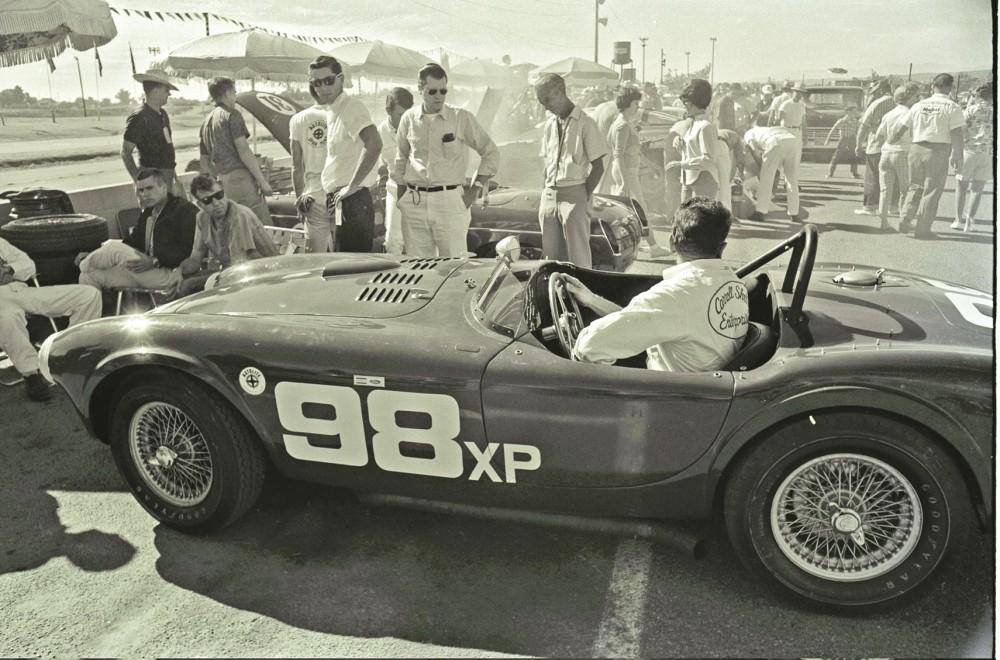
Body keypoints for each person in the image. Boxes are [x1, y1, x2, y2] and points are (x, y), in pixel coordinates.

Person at [564, 197, 748, 372]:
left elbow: (589, 347)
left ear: (671, 243)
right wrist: (592, 300)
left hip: (670, 395)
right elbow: (650, 320)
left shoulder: (674, 296)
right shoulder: (734, 284)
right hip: (703, 388)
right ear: (722, 247)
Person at [393, 63, 499, 257]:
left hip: (449, 201)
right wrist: (402, 196)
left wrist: (474, 190)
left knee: (454, 266)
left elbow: (490, 152)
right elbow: (400, 158)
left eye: (443, 91)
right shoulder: (408, 119)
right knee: (418, 267)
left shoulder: (460, 117)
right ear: (420, 89)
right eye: (432, 91)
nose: (438, 96)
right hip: (415, 202)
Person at [0, 237, 101, 401]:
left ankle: (73, 355)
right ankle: (31, 373)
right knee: (8, 317)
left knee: (89, 295)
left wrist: (10, 269)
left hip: (19, 291)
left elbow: (29, 265)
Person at [78, 168, 197, 295]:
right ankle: (98, 313)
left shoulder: (184, 210)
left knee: (114, 248)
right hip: (143, 272)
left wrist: (156, 261)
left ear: (164, 187)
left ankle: (83, 263)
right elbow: (131, 243)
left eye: (149, 188)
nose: (145, 194)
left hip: (172, 273)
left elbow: (188, 250)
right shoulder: (149, 212)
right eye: (141, 190)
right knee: (88, 276)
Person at [534, 73, 608, 269]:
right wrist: (545, 192)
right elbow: (547, 161)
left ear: (560, 92)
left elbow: (599, 166)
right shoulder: (549, 124)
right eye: (541, 101)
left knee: (578, 259)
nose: (545, 106)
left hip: (575, 194)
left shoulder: (585, 123)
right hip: (549, 196)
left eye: (547, 99)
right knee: (551, 260)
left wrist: (583, 195)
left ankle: (580, 297)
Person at [317, 56, 383, 253]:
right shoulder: (332, 111)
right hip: (340, 200)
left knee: (350, 267)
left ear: (341, 79)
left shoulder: (350, 107)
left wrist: (352, 186)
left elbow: (374, 143)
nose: (322, 87)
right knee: (341, 261)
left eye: (328, 80)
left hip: (353, 201)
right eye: (317, 82)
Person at [892, 73, 965, 238]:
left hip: (916, 148)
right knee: (932, 190)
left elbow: (902, 127)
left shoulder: (918, 105)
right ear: (949, 87)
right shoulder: (952, 106)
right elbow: (956, 133)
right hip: (938, 151)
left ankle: (905, 217)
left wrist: (892, 140)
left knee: (915, 186)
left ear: (933, 86)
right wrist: (957, 155)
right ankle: (923, 229)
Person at [178, 174, 278, 295]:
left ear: (224, 194)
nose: (216, 203)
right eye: (207, 200)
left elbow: (238, 264)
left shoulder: (239, 215)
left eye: (218, 196)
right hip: (235, 271)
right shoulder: (202, 218)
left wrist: (196, 282)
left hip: (264, 273)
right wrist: (178, 272)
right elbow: (195, 259)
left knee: (188, 286)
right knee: (182, 281)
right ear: (200, 205)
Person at [198, 77, 273, 224]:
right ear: (227, 93)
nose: (235, 97)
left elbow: (204, 162)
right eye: (234, 92)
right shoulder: (232, 115)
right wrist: (263, 181)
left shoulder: (206, 122)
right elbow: (244, 151)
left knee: (237, 228)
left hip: (223, 182)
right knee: (260, 226)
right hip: (241, 180)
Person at [607, 87, 668, 258]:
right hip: (626, 173)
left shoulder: (622, 124)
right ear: (627, 104)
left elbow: (632, 151)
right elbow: (618, 154)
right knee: (639, 211)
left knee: (629, 212)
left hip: (628, 172)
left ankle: (635, 245)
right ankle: (653, 246)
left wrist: (651, 165)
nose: (637, 107)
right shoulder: (622, 126)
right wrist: (624, 182)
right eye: (635, 103)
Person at [290, 63, 335, 253]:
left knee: (316, 255)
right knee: (344, 254)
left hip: (313, 194)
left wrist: (299, 197)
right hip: (339, 192)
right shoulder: (339, 114)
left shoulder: (298, 119)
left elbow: (296, 165)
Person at [121, 70, 185, 198]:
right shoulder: (140, 117)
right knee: (155, 216)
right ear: (155, 91)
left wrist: (175, 179)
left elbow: (167, 148)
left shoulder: (163, 115)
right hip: (151, 178)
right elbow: (125, 152)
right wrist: (138, 179)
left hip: (168, 176)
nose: (169, 94)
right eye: (166, 90)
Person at [873, 83, 921, 231]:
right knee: (905, 189)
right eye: (916, 96)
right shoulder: (910, 113)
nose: (918, 99)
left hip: (886, 152)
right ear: (910, 98)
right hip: (903, 152)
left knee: (885, 189)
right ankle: (903, 220)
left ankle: (883, 221)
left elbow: (879, 135)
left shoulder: (889, 114)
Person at [666, 79, 720, 201]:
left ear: (693, 103)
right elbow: (693, 153)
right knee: (686, 217)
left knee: (699, 218)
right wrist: (680, 146)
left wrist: (682, 164)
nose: (685, 106)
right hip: (688, 179)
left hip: (703, 181)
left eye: (686, 102)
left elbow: (709, 159)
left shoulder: (705, 126)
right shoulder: (695, 124)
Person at [377, 87, 414, 254]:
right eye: (400, 114)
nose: (405, 118)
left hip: (419, 189)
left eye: (408, 113)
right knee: (393, 240)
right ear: (388, 111)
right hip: (394, 189)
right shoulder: (379, 133)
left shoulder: (418, 128)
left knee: (423, 241)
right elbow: (376, 165)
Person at [743, 116, 801, 222]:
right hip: (794, 141)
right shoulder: (768, 129)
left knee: (766, 179)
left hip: (775, 142)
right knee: (791, 180)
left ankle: (760, 212)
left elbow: (754, 150)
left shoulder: (749, 133)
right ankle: (794, 213)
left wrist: (762, 166)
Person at [954, 83, 993, 232]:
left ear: (978, 96)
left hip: (969, 150)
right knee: (977, 189)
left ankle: (958, 220)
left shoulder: (971, 110)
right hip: (988, 152)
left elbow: (962, 130)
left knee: (961, 186)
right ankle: (970, 222)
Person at [854, 79, 894, 215]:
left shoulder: (875, 104)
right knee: (892, 178)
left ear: (881, 91)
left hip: (876, 145)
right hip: (893, 146)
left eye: (875, 92)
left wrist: (858, 145)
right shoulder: (898, 103)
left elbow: (863, 127)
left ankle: (870, 206)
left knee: (872, 178)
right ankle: (892, 206)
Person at [591, 93, 621, 195]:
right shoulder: (616, 111)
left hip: (597, 145)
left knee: (599, 178)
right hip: (609, 147)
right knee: (611, 181)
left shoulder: (600, 107)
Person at [824, 105, 861, 178]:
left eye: (855, 112)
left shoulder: (855, 121)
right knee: (837, 156)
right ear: (848, 112)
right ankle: (830, 173)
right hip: (843, 139)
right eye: (853, 111)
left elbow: (861, 129)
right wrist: (827, 139)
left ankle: (854, 173)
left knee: (854, 156)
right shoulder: (841, 121)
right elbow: (833, 130)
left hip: (852, 139)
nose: (855, 113)